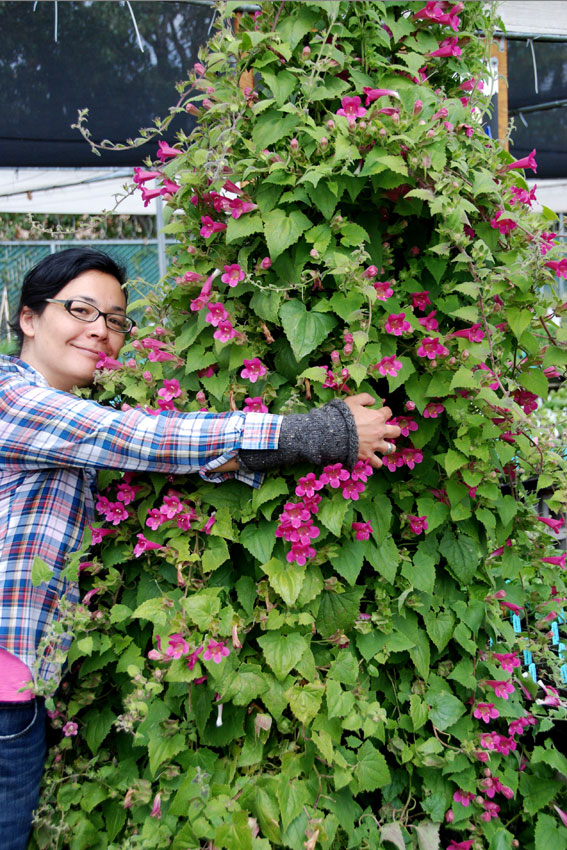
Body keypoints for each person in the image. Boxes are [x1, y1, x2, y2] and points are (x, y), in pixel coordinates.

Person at [0, 247, 400, 848]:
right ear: (29, 318)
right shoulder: (13, 399)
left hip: (23, 693)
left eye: (115, 320)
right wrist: (320, 433)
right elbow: (142, 436)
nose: (100, 331)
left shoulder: (61, 413)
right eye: (80, 308)